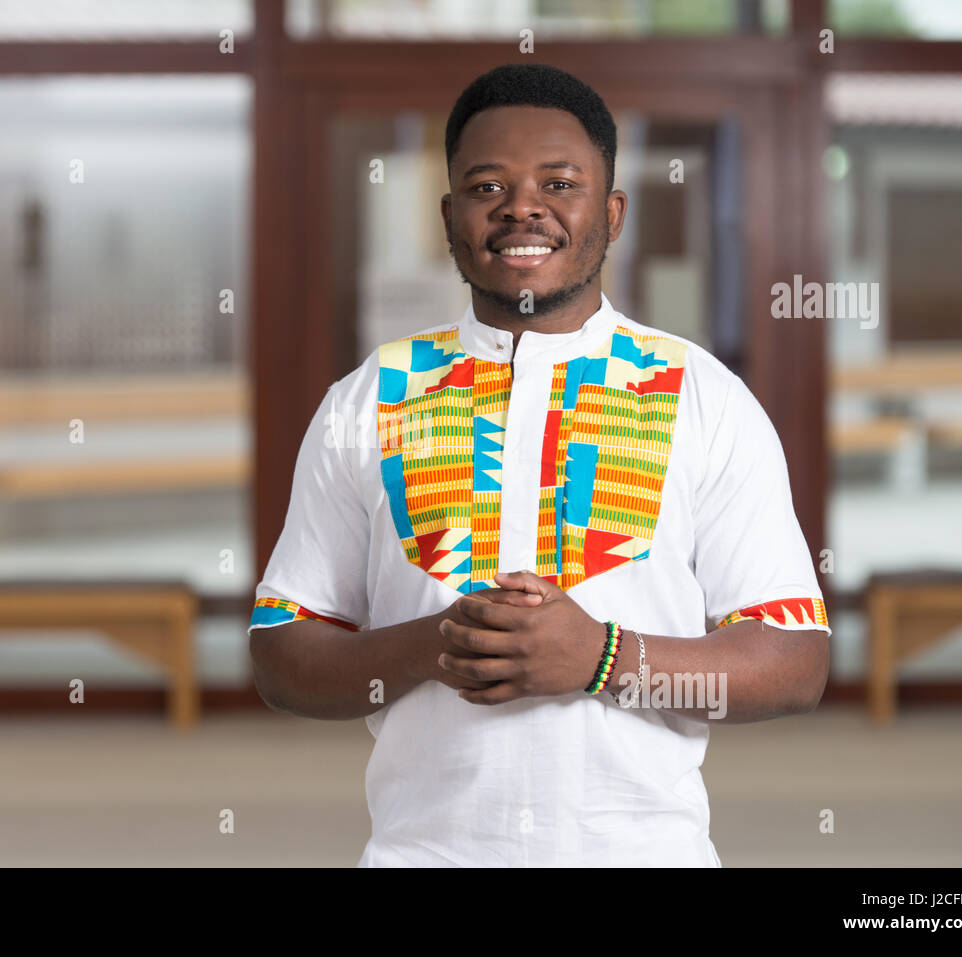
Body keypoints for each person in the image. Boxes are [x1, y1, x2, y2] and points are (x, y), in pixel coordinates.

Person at [247, 63, 830, 867]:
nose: (523, 206)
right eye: (488, 187)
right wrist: (442, 642)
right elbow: (283, 649)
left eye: (560, 182)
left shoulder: (705, 397)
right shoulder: (367, 400)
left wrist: (601, 658)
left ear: (613, 213)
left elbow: (794, 660)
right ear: (451, 216)